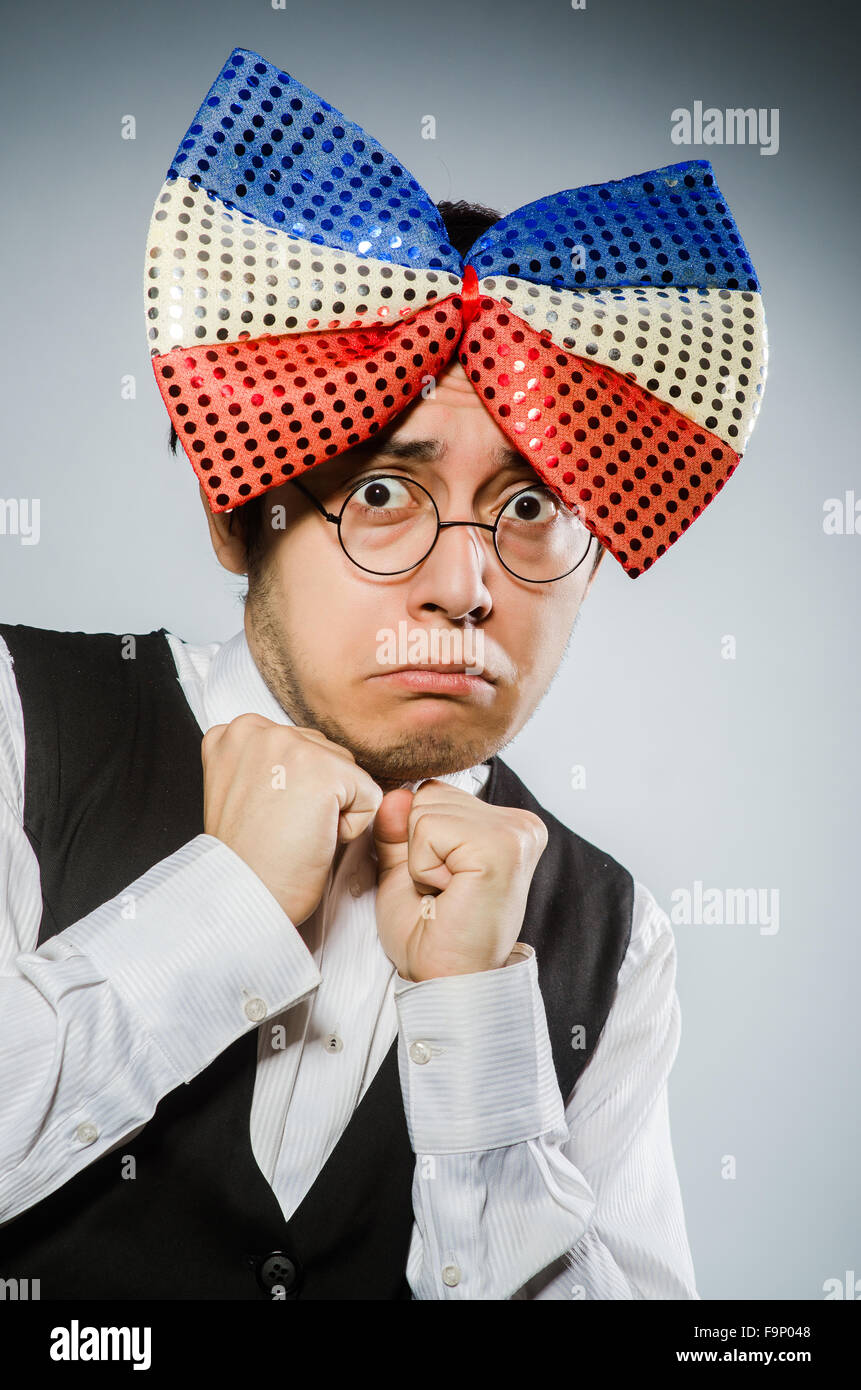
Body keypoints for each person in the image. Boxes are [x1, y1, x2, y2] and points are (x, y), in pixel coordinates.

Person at [0, 46, 767, 1300]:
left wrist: (481, 1034)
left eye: (529, 505)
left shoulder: (614, 940)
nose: (465, 584)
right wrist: (220, 914)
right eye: (380, 491)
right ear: (242, 513)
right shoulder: (20, 719)